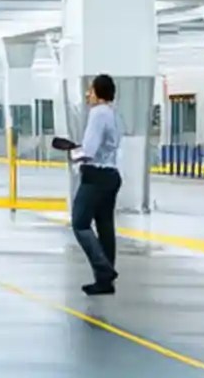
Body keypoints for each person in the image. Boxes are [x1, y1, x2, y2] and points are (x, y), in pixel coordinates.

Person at [70, 73, 123, 296]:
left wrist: (74, 155)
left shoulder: (98, 113)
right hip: (111, 175)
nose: (87, 94)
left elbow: (89, 150)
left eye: (90, 90)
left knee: (80, 223)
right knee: (105, 227)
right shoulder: (114, 114)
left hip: (95, 176)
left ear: (99, 93)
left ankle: (104, 270)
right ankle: (104, 281)